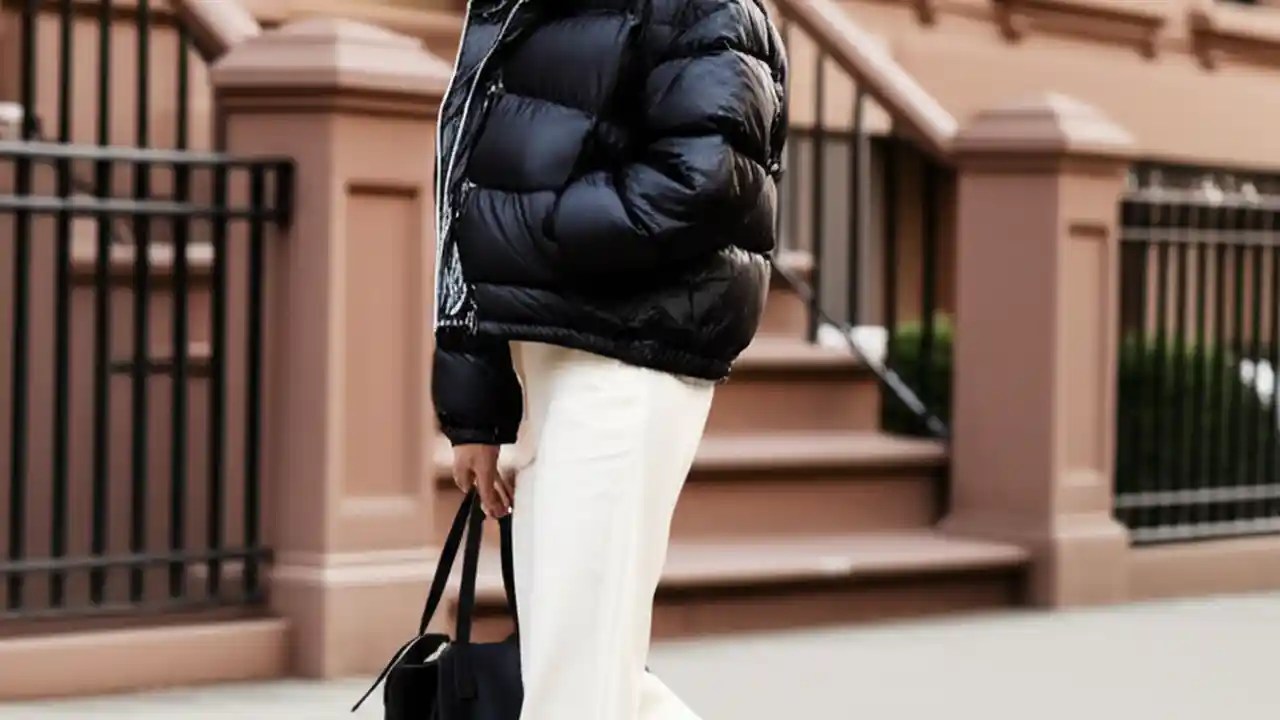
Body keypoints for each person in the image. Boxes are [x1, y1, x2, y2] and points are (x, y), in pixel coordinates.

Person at [431, 0, 788, 716]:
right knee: (584, 669)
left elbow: (707, 179)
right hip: (543, 356)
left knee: (576, 673)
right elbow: (465, 203)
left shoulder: (704, 6)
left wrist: (541, 231)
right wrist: (480, 406)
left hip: (629, 358)